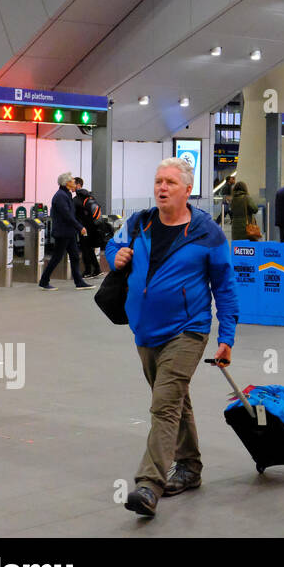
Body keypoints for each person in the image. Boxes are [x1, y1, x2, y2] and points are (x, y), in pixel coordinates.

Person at [106, 157, 238, 518]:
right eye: (158, 181)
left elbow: (225, 287)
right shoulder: (140, 221)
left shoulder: (206, 232)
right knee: (175, 398)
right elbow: (111, 245)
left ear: (187, 190)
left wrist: (227, 334)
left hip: (188, 330)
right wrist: (116, 255)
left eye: (169, 183)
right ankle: (190, 467)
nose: (161, 188)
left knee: (164, 404)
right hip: (145, 330)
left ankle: (149, 484)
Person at [39, 172, 92, 291]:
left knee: (74, 256)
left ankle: (79, 282)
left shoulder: (66, 194)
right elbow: (67, 215)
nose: (75, 183)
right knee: (57, 257)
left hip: (69, 232)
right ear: (67, 183)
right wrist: (80, 227)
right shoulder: (60, 196)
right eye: (73, 181)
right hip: (63, 232)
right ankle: (44, 281)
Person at [75, 187, 104, 277]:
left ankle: (88, 271)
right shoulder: (91, 200)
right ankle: (96, 269)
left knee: (86, 249)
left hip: (86, 229)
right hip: (93, 228)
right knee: (89, 249)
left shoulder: (82, 202)